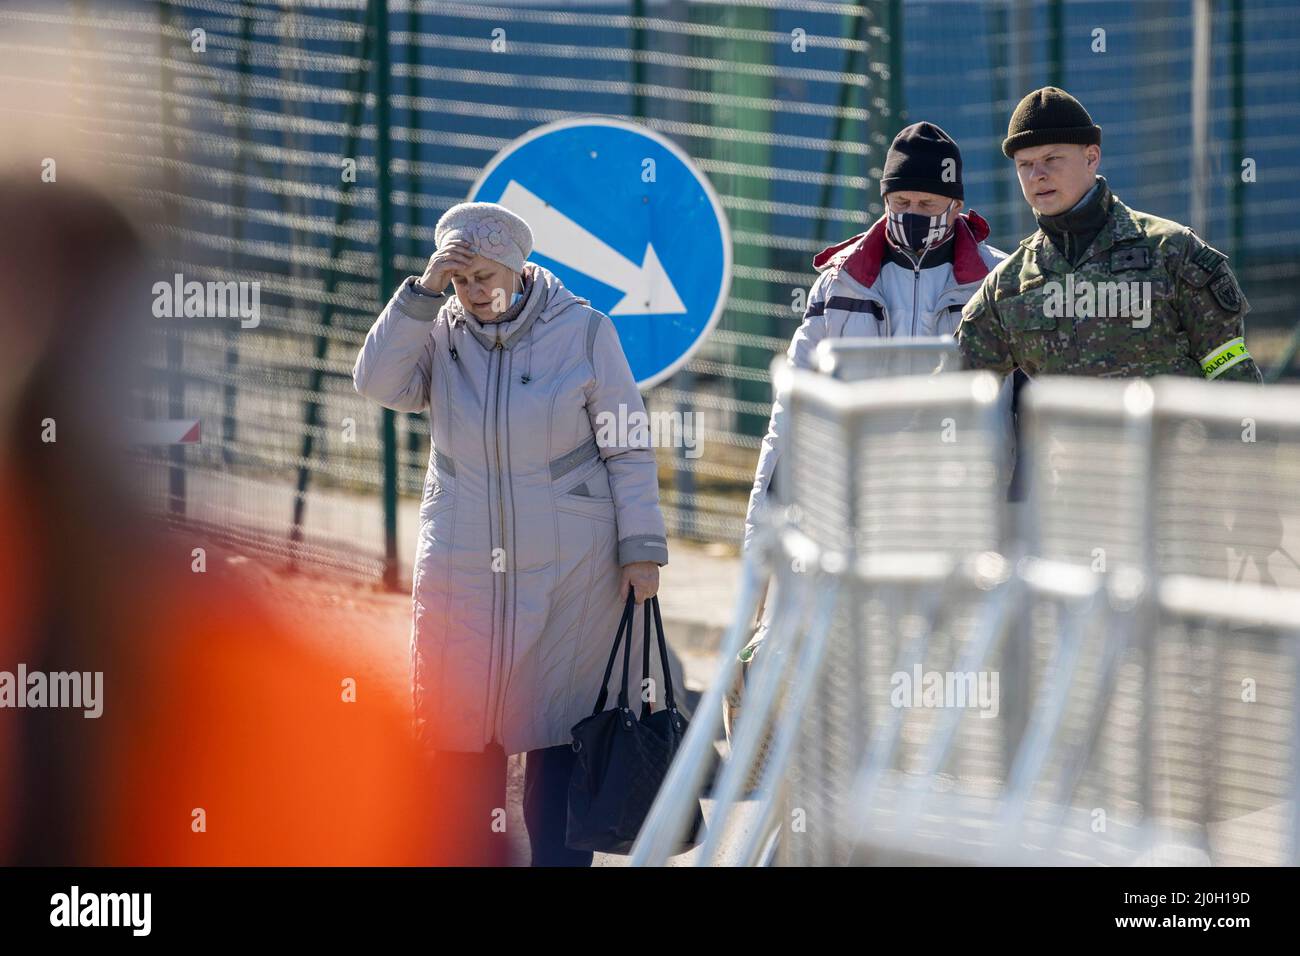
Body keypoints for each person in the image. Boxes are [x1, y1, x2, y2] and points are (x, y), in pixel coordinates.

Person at [352, 201, 671, 866]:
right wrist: (421, 294)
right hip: (463, 564)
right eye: (462, 279)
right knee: (462, 735)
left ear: (521, 269)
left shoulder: (583, 331)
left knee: (557, 734)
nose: (475, 293)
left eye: (486, 276)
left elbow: (628, 446)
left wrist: (641, 547)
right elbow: (378, 383)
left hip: (571, 569)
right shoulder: (435, 332)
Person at [732, 123, 1009, 741]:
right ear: (885, 200)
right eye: (902, 203)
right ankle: (843, 817)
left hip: (959, 515)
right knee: (848, 678)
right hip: (854, 515)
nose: (914, 216)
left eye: (929, 205)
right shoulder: (842, 282)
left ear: (957, 205)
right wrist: (763, 539)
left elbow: (1025, 401)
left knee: (953, 683)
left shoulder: (998, 281)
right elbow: (793, 406)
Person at [958, 86, 1263, 383]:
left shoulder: (1173, 252)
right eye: (1025, 165)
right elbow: (955, 388)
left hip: (1171, 436)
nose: (1038, 175)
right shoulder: (1009, 285)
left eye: (1052, 159)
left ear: (1091, 158)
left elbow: (1232, 376)